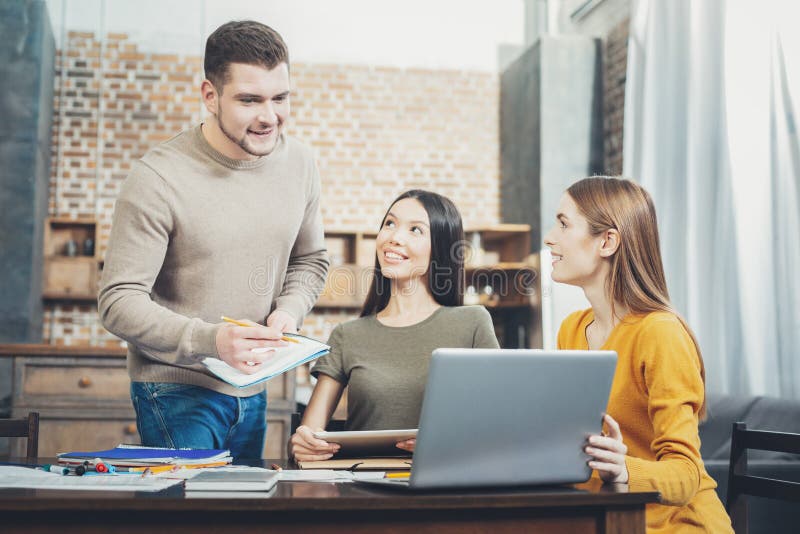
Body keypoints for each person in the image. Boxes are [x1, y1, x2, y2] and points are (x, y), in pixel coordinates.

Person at [98, 21, 329, 459]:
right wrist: (211, 342)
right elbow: (118, 301)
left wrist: (288, 312)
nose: (269, 116)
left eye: (280, 98)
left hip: (255, 389)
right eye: (249, 100)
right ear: (210, 95)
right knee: (195, 522)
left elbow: (311, 260)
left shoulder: (300, 163)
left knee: (244, 523)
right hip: (176, 391)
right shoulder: (158, 177)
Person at [544, 177, 732, 533]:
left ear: (608, 241)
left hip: (677, 525)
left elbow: (686, 474)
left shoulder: (660, 333)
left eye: (564, 224)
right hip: (605, 519)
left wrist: (624, 468)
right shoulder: (571, 328)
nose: (549, 236)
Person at [290, 190, 500, 461]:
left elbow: (499, 422)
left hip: (445, 485)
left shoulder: (472, 323)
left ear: (441, 247)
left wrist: (450, 442)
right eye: (390, 223)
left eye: (415, 230)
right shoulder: (347, 336)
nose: (394, 237)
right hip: (362, 487)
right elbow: (308, 435)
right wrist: (302, 444)